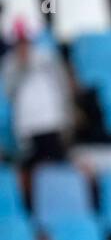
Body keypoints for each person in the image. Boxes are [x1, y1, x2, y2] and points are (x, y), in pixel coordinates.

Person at [1, 21, 73, 193]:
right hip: (28, 125)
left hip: (50, 120)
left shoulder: (46, 58)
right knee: (31, 167)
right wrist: (21, 67)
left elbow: (61, 85)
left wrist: (65, 114)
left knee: (54, 164)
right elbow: (9, 92)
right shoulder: (9, 64)